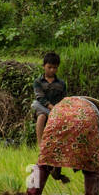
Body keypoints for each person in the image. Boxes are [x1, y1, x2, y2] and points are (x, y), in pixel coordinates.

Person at [25, 96, 99, 195]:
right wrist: (98, 180)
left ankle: (30, 194)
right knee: (92, 165)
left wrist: (57, 173)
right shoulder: (98, 120)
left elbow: (53, 157)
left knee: (44, 161)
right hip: (86, 122)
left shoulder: (64, 105)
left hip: (56, 117)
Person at [32, 51, 69, 182]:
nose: (52, 70)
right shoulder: (38, 82)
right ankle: (40, 144)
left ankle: (57, 167)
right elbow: (40, 97)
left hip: (57, 110)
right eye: (49, 67)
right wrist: (51, 108)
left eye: (55, 68)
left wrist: (59, 109)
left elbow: (64, 98)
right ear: (44, 66)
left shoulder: (61, 83)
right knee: (40, 113)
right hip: (44, 108)